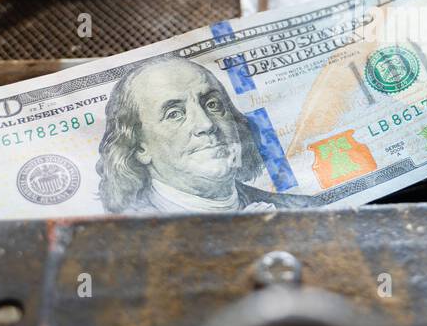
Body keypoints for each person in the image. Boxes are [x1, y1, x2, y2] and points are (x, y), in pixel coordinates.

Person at [97, 55, 304, 214]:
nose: (206, 124)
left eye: (212, 104)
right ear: (140, 146)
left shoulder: (300, 208)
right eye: (175, 114)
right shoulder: (127, 238)